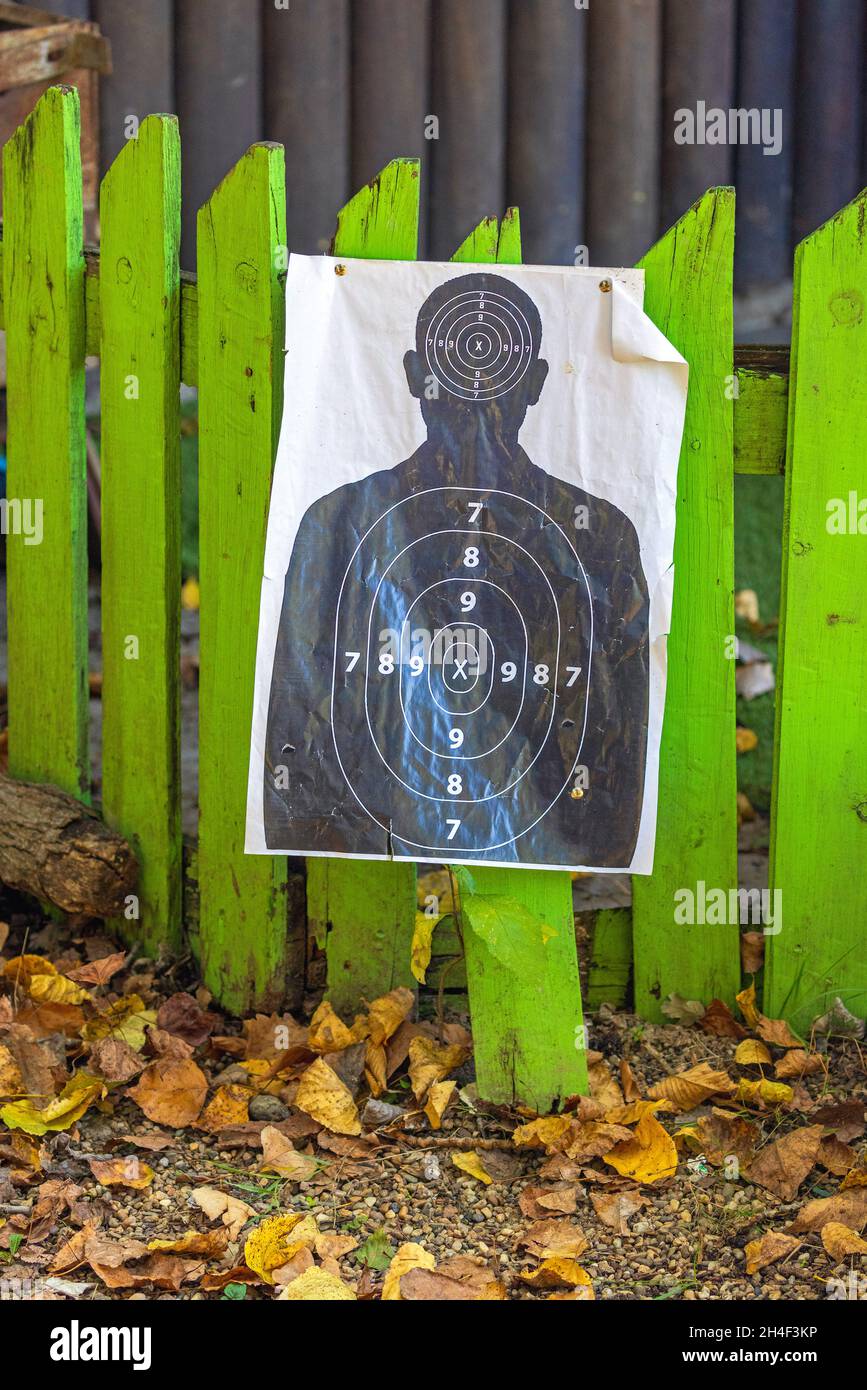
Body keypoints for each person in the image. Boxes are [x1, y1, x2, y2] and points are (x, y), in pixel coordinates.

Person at [264, 272, 648, 868]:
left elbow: (617, 761)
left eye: (498, 364)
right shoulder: (336, 522)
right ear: (416, 375)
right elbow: (296, 736)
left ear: (538, 382)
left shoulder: (600, 535)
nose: (475, 392)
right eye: (459, 359)